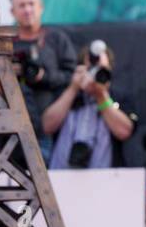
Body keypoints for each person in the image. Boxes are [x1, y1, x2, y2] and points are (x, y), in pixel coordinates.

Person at [9, 0, 77, 164]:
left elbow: (72, 76)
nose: (27, 10)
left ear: (41, 7)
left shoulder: (56, 39)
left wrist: (43, 76)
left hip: (55, 126)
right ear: (13, 11)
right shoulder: (6, 44)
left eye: (31, 4)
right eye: (21, 6)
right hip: (13, 127)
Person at [43, 41, 136, 169]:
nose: (95, 74)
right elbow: (47, 126)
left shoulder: (118, 96)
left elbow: (124, 131)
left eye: (101, 70)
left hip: (106, 178)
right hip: (61, 176)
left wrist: (101, 97)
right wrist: (73, 88)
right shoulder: (66, 93)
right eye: (91, 69)